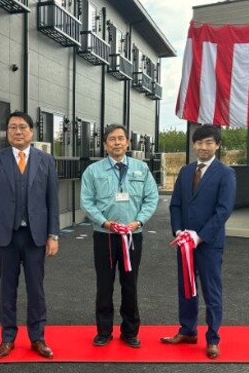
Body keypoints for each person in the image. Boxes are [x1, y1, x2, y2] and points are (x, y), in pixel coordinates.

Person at [0, 110, 60, 359]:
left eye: (23, 127)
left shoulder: (46, 160)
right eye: (13, 127)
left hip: (36, 236)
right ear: (7, 132)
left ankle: (37, 337)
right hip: (6, 235)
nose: (18, 131)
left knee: (36, 288)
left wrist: (53, 235)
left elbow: (53, 201)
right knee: (7, 288)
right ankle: (7, 337)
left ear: (31, 131)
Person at [161, 124, 235, 359]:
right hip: (184, 243)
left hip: (209, 243)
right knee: (186, 288)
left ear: (217, 145)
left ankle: (213, 338)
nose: (203, 147)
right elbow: (175, 205)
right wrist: (179, 231)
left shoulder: (225, 173)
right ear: (194, 145)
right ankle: (187, 330)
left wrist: (199, 236)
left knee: (211, 291)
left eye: (209, 143)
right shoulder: (185, 171)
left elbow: (223, 211)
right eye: (199, 142)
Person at [81, 124, 158, 348]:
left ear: (127, 143)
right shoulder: (93, 171)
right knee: (104, 284)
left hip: (133, 236)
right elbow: (87, 202)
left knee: (130, 283)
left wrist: (138, 221)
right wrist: (104, 222)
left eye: (120, 138)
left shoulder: (141, 168)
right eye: (112, 139)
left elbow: (151, 198)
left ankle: (130, 331)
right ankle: (104, 331)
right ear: (105, 145)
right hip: (104, 235)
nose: (117, 142)